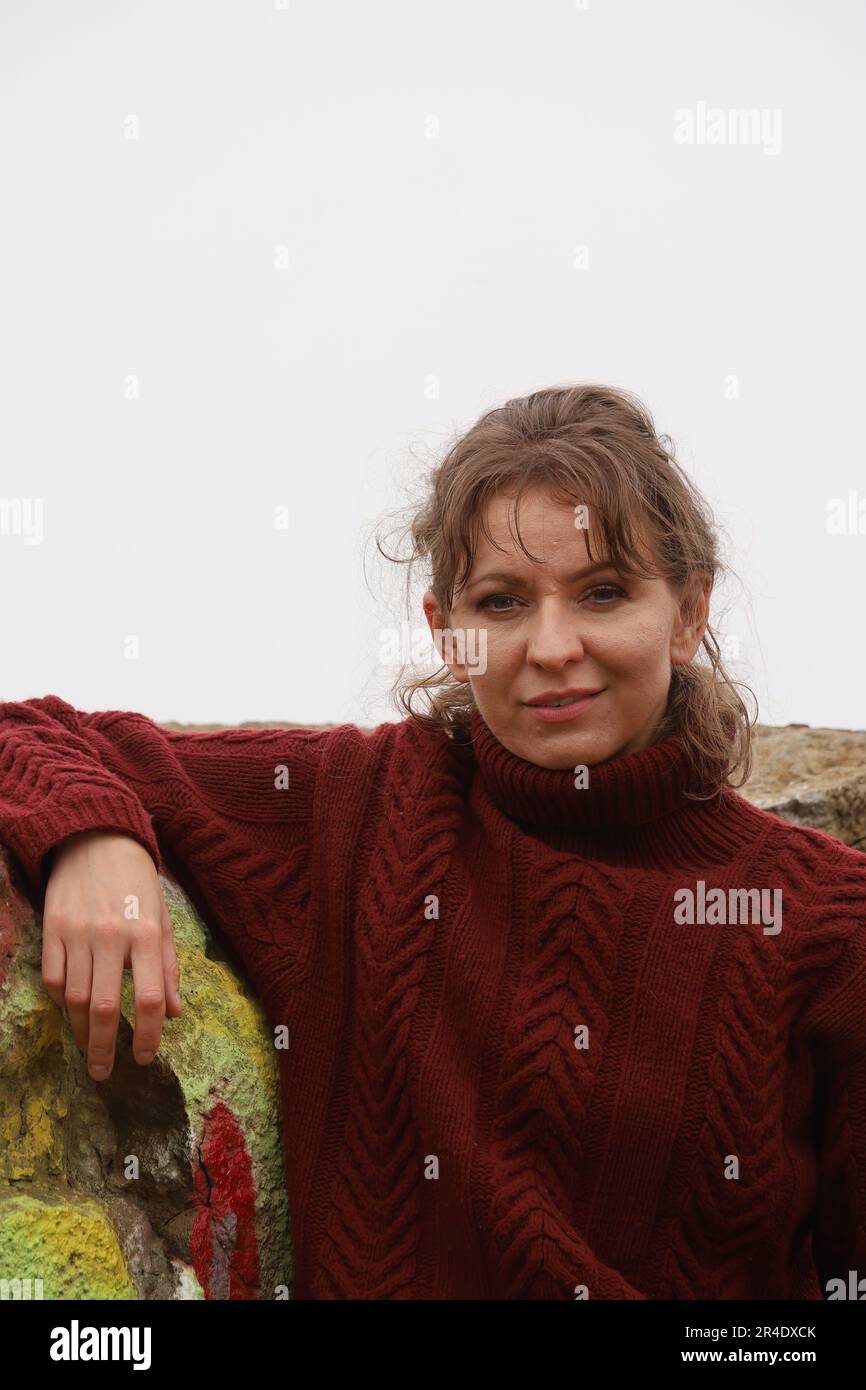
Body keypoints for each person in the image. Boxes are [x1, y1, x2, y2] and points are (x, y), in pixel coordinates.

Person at [1, 382, 864, 1300]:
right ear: (446, 634)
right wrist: (94, 839)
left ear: (689, 612)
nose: (552, 645)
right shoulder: (362, 810)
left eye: (603, 592)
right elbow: (35, 731)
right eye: (501, 604)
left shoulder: (825, 924)